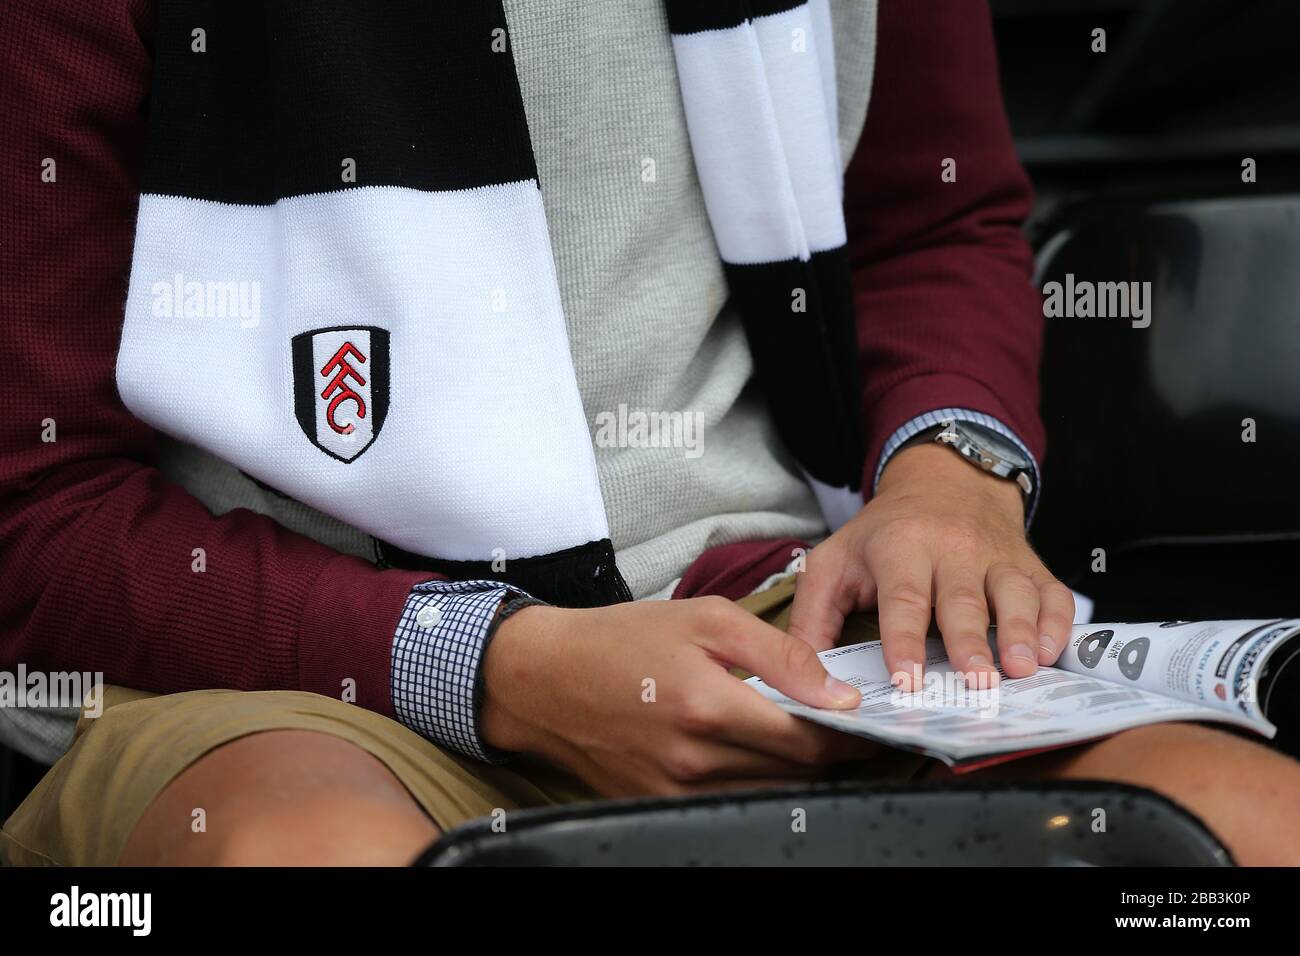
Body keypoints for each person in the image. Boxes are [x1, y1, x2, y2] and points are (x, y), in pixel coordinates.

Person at [2, 0, 1297, 868]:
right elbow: (37, 515)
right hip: (278, 681)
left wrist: (948, 474)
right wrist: (498, 670)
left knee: (1247, 831)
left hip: (780, 624)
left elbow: (931, 219)